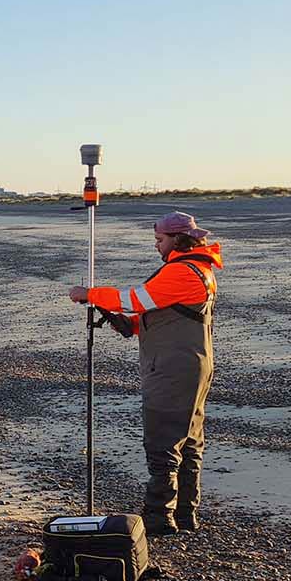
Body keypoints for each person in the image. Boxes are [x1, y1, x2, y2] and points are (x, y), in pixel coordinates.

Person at [69, 211, 222, 536]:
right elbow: (168, 313)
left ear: (178, 240)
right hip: (193, 365)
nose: (156, 246)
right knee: (190, 441)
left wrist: (90, 295)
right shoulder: (200, 269)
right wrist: (128, 324)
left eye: (160, 240)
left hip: (173, 369)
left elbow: (135, 299)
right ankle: (185, 515)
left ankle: (158, 518)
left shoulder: (182, 271)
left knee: (163, 443)